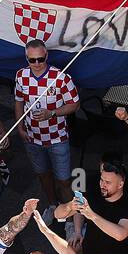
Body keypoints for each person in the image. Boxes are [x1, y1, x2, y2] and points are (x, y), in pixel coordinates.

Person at [14, 40, 79, 207]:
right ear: (26, 58)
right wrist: (20, 128)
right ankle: (52, 206)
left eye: (40, 59)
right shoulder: (21, 75)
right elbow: (19, 101)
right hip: (32, 138)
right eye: (32, 60)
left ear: (47, 56)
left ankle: (70, 219)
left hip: (58, 138)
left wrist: (52, 113)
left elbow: (74, 105)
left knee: (64, 181)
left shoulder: (61, 78)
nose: (36, 63)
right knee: (43, 176)